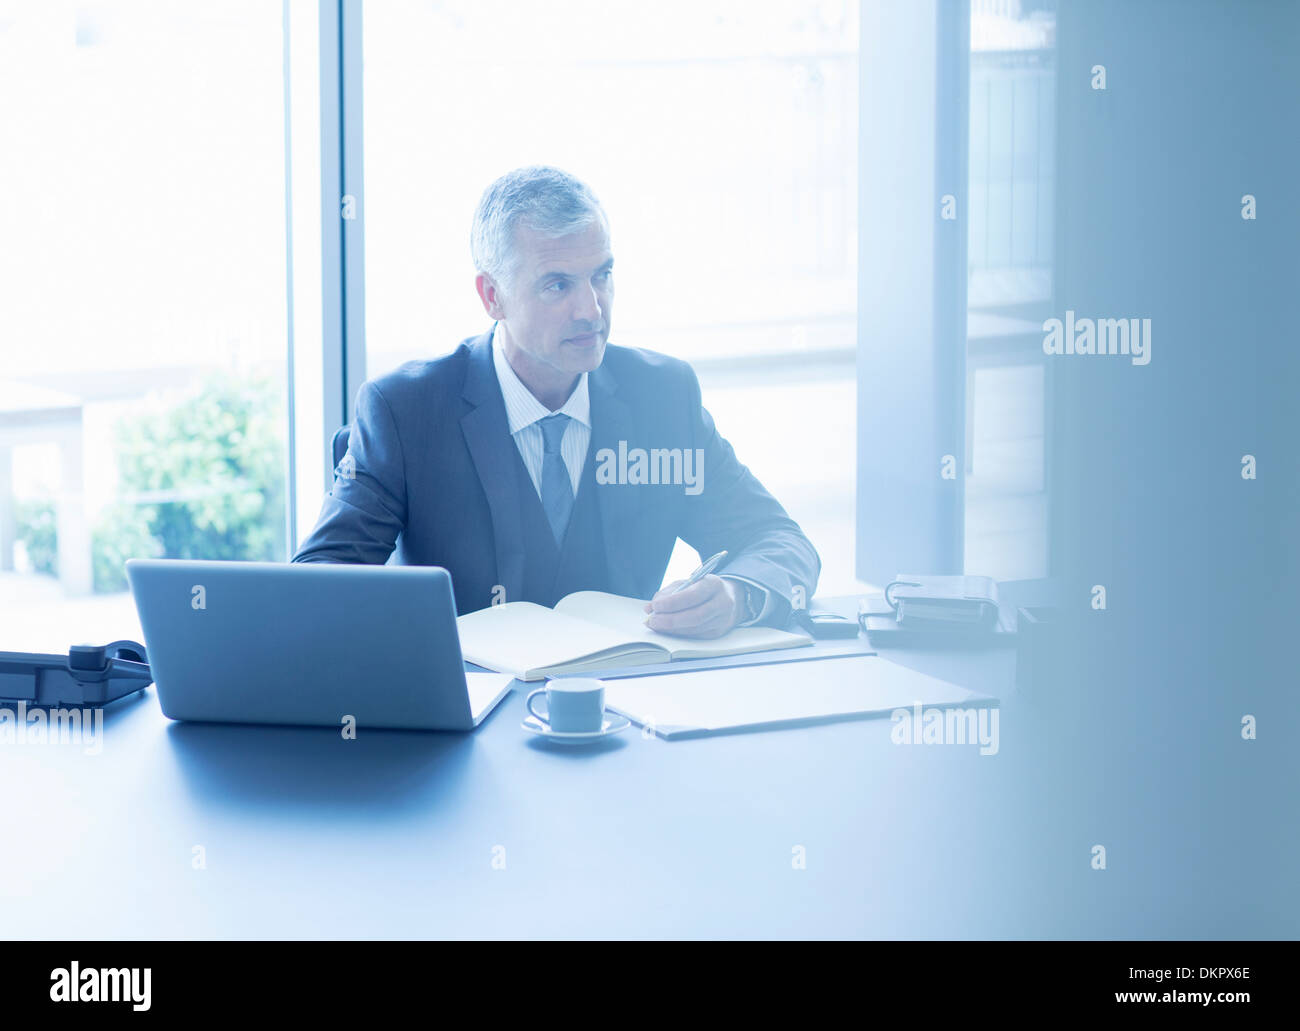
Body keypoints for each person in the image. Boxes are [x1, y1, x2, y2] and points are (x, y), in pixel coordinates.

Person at [292, 166, 819, 638]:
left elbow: (778, 539)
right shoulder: (405, 412)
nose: (591, 310)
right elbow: (319, 583)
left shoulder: (663, 398)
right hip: (470, 712)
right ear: (491, 295)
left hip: (632, 711)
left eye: (602, 276)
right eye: (557, 286)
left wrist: (737, 595)